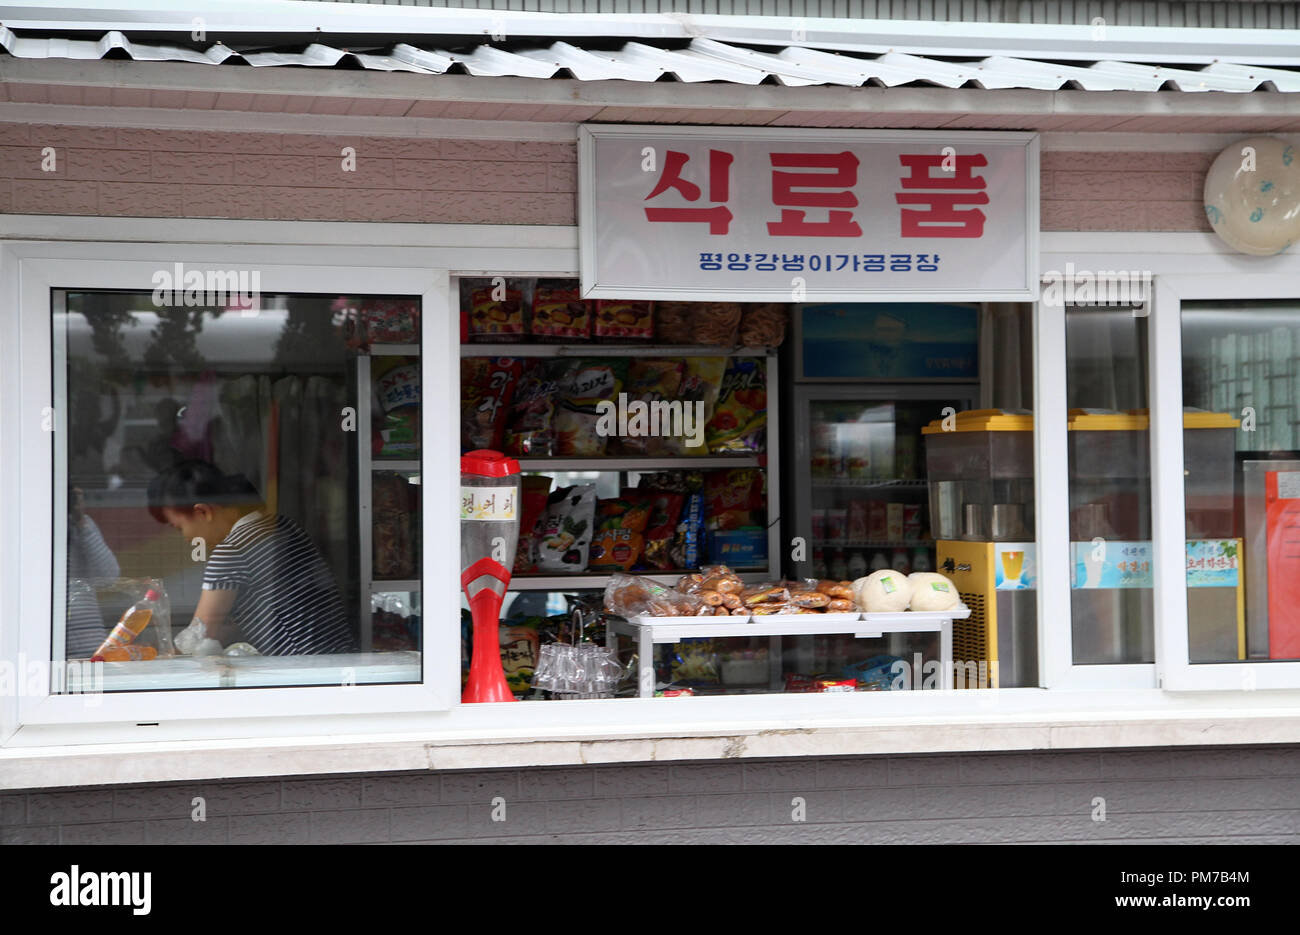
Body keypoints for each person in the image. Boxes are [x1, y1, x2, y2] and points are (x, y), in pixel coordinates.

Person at [147, 460, 356, 655]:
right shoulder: (281, 525)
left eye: (179, 527)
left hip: (303, 671)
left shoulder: (232, 550)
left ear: (203, 512)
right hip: (338, 656)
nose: (186, 537)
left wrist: (157, 657)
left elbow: (198, 636)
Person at [66, 486, 120, 658]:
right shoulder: (25, 531)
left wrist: (81, 522)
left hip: (89, 643)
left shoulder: (82, 526)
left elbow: (109, 576)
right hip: (43, 645)